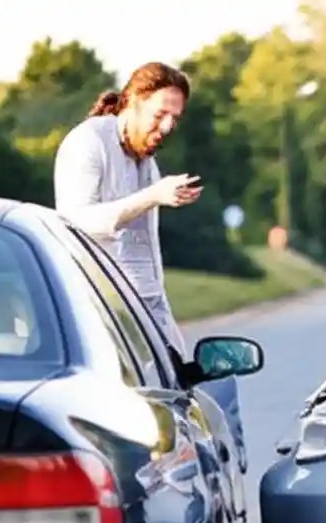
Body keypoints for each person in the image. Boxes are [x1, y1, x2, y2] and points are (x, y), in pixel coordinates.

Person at [53, 61, 201, 357]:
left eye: (175, 118)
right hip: (101, 313)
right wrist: (153, 196)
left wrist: (171, 338)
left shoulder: (147, 161)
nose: (167, 127)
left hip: (145, 311)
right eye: (160, 115)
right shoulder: (88, 142)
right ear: (133, 103)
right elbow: (76, 221)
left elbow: (148, 256)